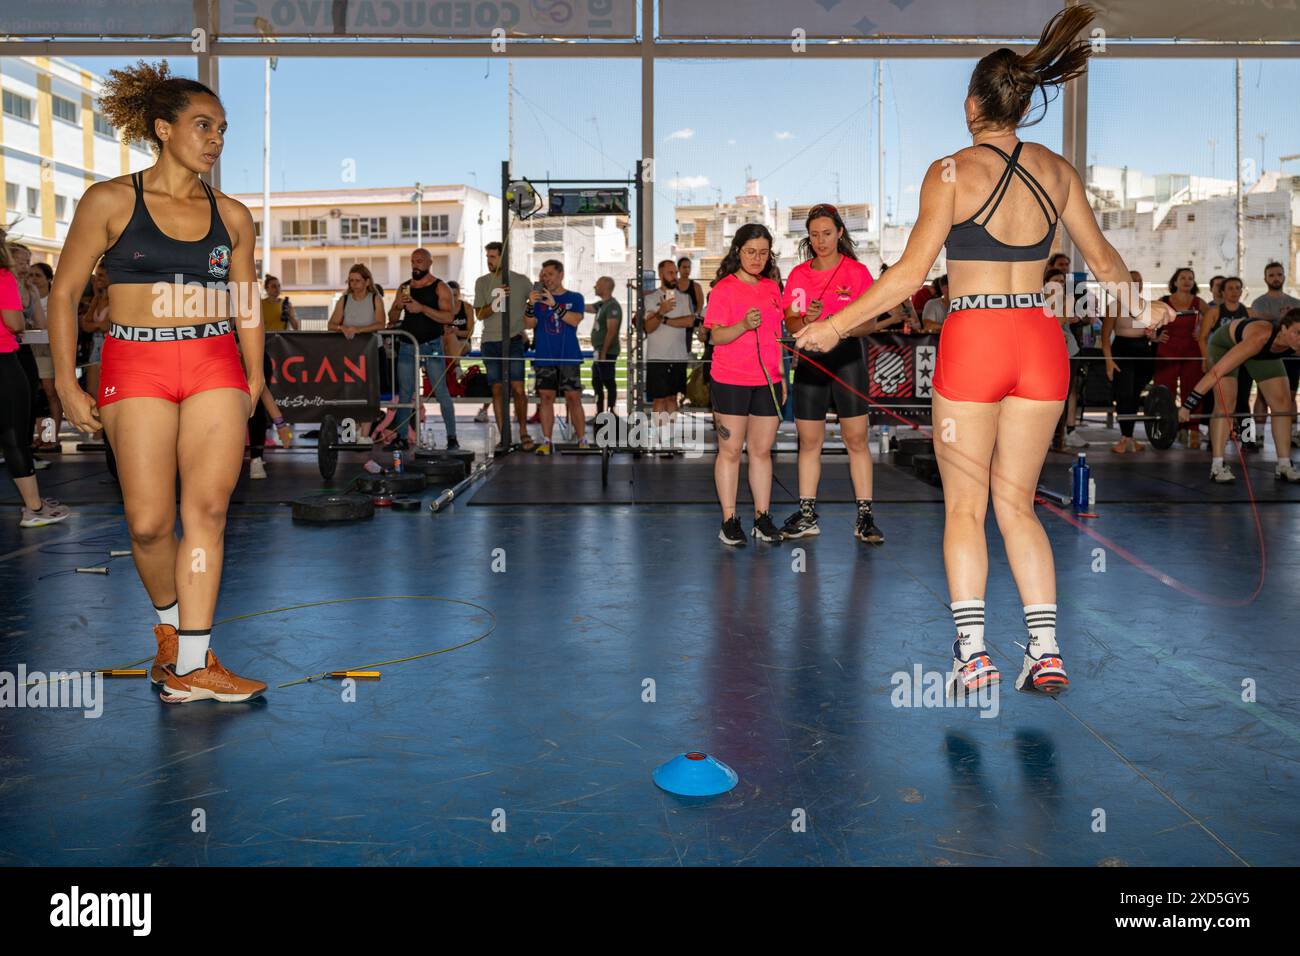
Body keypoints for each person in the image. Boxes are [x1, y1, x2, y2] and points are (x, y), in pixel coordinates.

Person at [796, 4, 1173, 698]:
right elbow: (1105, 260)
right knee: (1019, 505)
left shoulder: (949, 172)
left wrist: (832, 328)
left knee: (965, 510)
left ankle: (974, 655)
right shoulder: (1057, 170)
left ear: (972, 103)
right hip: (1039, 340)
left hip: (974, 336)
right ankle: (1047, 650)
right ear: (1023, 105)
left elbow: (908, 277)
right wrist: (1142, 309)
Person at [49, 60, 266, 702]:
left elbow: (246, 301)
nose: (216, 139)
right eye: (203, 126)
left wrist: (253, 379)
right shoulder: (111, 200)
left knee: (207, 510)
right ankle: (171, 635)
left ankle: (195, 665)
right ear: (163, 128)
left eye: (222, 129)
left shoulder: (233, 215)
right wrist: (66, 383)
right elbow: (63, 294)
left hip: (213, 364)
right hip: (133, 362)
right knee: (147, 524)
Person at [780, 203, 896, 544]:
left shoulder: (857, 272)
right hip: (811, 364)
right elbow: (791, 324)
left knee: (856, 440)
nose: (821, 241)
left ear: (840, 233)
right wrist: (808, 319)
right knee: (809, 442)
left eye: (827, 233)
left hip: (847, 361)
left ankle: (864, 517)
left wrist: (836, 325)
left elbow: (869, 323)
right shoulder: (799, 275)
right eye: (814, 235)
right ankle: (806, 514)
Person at [706, 224, 786, 546]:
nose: (757, 258)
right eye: (751, 251)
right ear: (738, 250)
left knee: (761, 451)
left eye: (764, 253)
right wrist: (742, 325)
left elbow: (776, 336)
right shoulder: (723, 289)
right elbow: (716, 336)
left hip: (767, 381)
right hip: (730, 380)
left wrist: (781, 375)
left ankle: (762, 518)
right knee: (729, 451)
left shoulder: (771, 288)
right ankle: (729, 520)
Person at [1, 234, 70, 526]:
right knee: (14, 437)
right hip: (3, 361)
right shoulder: (3, 278)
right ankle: (34, 508)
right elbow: (15, 323)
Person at [1185, 309, 1300, 483]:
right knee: (1227, 403)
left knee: (1283, 404)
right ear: (1283, 328)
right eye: (1298, 332)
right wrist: (1188, 405)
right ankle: (1217, 467)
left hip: (1261, 353)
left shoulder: (1292, 342)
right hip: (1225, 346)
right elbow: (1216, 372)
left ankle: (1284, 465)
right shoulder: (1260, 337)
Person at [387, 248, 457, 451]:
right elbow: (391, 318)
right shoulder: (404, 287)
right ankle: (401, 436)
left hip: (432, 344)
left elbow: (448, 318)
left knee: (441, 391)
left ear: (429, 263)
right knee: (405, 392)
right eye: (412, 261)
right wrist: (398, 306)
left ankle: (452, 436)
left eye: (419, 261)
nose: (415, 264)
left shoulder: (440, 287)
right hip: (409, 345)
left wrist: (422, 308)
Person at [474, 242, 533, 451]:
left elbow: (536, 298)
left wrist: (530, 311)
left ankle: (524, 432)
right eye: (487, 257)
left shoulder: (521, 281)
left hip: (514, 340)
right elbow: (479, 314)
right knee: (497, 390)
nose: (489, 261)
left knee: (518, 388)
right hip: (490, 342)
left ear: (503, 258)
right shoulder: (482, 282)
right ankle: (504, 436)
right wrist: (493, 305)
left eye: (493, 256)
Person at [526, 259, 586, 455]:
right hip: (544, 356)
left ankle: (582, 440)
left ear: (560, 275)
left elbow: (574, 320)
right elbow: (528, 323)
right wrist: (530, 304)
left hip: (568, 356)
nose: (545, 278)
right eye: (543, 275)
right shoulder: (538, 300)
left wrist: (554, 305)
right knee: (545, 397)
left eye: (549, 274)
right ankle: (546, 441)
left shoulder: (575, 297)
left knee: (573, 397)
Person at [245, 274, 297, 477]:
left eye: (278, 285)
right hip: (229, 360)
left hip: (258, 356)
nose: (276, 289)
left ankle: (256, 458)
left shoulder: (282, 305)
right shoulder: (255, 304)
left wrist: (280, 424)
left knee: (256, 404)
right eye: (272, 286)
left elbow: (262, 388)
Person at [327, 264, 386, 444]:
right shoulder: (344, 300)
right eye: (351, 280)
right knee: (349, 392)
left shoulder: (375, 298)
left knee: (370, 392)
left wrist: (358, 330)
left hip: (373, 351)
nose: (354, 284)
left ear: (367, 281)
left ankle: (365, 434)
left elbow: (381, 323)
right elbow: (331, 324)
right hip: (350, 354)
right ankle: (352, 430)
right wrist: (342, 328)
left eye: (357, 281)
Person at [1197, 276, 1258, 449]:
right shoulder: (1214, 312)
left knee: (1243, 401)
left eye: (1237, 288)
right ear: (1222, 292)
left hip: (1243, 362)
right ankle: (1213, 439)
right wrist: (1207, 360)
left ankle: (1248, 438)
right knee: (1218, 401)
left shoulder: (1249, 312)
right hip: (1221, 362)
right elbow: (1202, 339)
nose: (1234, 291)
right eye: (1230, 288)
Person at [1155, 268, 1211, 449]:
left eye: (1191, 278)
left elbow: (1213, 319)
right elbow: (1145, 321)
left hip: (1192, 351)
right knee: (1165, 391)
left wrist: (1203, 331)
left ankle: (1193, 430)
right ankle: (1167, 428)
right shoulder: (1163, 301)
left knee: (1192, 390)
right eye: (1183, 278)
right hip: (1167, 350)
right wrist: (1154, 337)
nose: (1187, 281)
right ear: (1175, 281)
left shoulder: (1198, 302)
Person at [1102, 269, 1157, 454]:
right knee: (1124, 394)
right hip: (1122, 350)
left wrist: (1153, 335)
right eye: (1132, 281)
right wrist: (1109, 361)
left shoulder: (1147, 305)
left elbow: (1152, 333)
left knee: (1135, 395)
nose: (1136, 284)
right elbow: (1105, 336)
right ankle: (1125, 437)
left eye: (1139, 281)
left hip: (1143, 351)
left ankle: (1130, 437)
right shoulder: (1115, 305)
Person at [643, 260, 695, 442]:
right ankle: (659, 438)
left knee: (673, 398)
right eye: (670, 273)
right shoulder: (650, 298)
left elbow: (689, 321)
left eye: (675, 272)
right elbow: (648, 327)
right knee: (659, 399)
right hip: (657, 356)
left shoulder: (684, 298)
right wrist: (660, 312)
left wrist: (664, 320)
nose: (674, 276)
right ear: (661, 275)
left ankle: (670, 439)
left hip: (679, 355)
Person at [1250, 262, 1300, 438]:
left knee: (1291, 396)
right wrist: (1284, 318)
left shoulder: (1295, 302)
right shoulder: (1259, 302)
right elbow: (1259, 320)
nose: (1275, 278)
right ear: (1265, 279)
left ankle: (1294, 435)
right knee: (1263, 395)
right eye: (1271, 275)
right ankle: (1258, 436)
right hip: (1268, 356)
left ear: (1284, 277)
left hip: (1292, 356)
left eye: (1279, 274)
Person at [27, 261, 62, 451]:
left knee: (50, 393)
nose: (33, 279)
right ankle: (39, 436)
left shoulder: (54, 300)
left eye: (38, 275)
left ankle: (51, 437)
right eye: (30, 275)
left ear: (49, 279)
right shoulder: (26, 296)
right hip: (28, 350)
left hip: (48, 351)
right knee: (36, 395)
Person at [586, 275, 621, 417]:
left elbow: (612, 331)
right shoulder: (601, 304)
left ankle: (611, 412)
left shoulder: (613, 306)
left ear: (606, 287)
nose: (595, 287)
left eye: (597, 285)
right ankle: (600, 413)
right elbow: (586, 307)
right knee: (596, 382)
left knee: (608, 380)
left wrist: (604, 352)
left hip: (607, 352)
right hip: (599, 351)